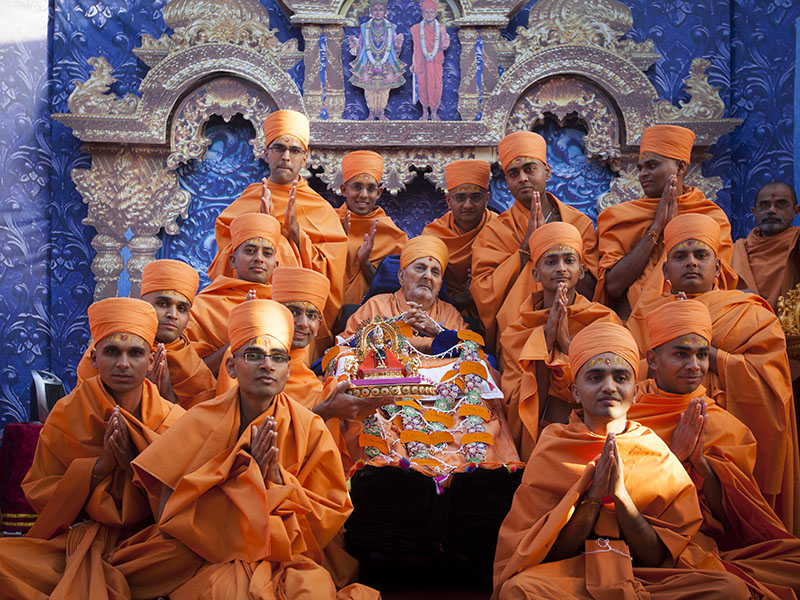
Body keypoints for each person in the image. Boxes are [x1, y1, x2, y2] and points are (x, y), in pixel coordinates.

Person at [131, 300, 377, 599]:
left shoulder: (309, 427)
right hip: (203, 549)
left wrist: (275, 481)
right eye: (253, 355)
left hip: (285, 551)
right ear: (231, 367)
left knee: (309, 589)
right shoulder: (199, 419)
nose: (267, 365)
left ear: (288, 369)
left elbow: (327, 517)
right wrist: (240, 489)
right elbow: (167, 511)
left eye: (277, 357)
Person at [493, 322, 754, 599]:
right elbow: (549, 552)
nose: (609, 387)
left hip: (644, 575)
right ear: (576, 392)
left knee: (730, 590)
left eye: (620, 377)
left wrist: (621, 497)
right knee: (518, 591)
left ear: (634, 389)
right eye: (595, 378)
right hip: (574, 573)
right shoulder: (553, 447)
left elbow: (657, 557)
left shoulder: (654, 449)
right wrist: (592, 500)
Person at [0, 298, 202, 599]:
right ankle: (96, 574)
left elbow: (181, 511)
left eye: (135, 353)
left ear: (150, 361)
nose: (123, 364)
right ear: (94, 358)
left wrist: (135, 463)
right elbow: (41, 492)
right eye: (112, 352)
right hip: (78, 538)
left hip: (142, 544)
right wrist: (98, 469)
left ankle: (96, 576)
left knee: (188, 555)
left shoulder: (175, 422)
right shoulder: (67, 413)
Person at [626, 212, 800, 535]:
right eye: (680, 255)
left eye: (701, 254)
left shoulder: (751, 312)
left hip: (731, 436)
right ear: (666, 270)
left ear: (718, 267)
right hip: (663, 434)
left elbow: (773, 386)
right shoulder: (647, 314)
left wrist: (706, 349)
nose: (691, 262)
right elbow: (629, 374)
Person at [629, 299, 800, 599]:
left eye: (700, 355)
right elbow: (625, 503)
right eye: (681, 354)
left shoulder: (722, 423)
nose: (693, 366)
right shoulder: (629, 415)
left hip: (707, 544)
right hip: (649, 545)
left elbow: (732, 520)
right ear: (653, 360)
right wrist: (675, 459)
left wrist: (702, 465)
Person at [206, 109, 347, 328]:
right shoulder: (247, 202)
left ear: (304, 158)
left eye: (294, 150)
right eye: (279, 148)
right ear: (266, 153)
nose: (286, 157)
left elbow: (333, 273)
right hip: (246, 306)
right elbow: (224, 264)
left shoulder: (321, 209)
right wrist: (258, 231)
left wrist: (296, 234)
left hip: (297, 317)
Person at [499, 222, 621, 459]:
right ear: (535, 273)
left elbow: (614, 384)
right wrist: (544, 339)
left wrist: (566, 342)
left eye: (569, 260)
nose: (561, 268)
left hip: (594, 437)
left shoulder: (603, 320)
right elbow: (515, 401)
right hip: (541, 439)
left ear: (582, 270)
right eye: (551, 261)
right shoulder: (518, 329)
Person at [470, 131, 598, 351]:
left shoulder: (579, 223)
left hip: (576, 329)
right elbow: (484, 293)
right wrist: (526, 248)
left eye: (530, 169)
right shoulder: (494, 231)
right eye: (513, 173)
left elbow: (594, 287)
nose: (522, 179)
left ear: (547, 171)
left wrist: (559, 247)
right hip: (519, 335)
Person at [595, 124, 736, 319]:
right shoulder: (620, 216)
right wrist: (656, 229)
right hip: (634, 324)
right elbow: (613, 286)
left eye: (652, 166)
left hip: (697, 320)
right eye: (640, 168)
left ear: (680, 167)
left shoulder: (710, 217)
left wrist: (674, 231)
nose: (643, 174)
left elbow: (718, 282)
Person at [76, 258, 217, 409]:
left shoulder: (192, 363)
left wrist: (166, 396)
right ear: (143, 303)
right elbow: (85, 415)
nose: (172, 314)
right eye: (162, 303)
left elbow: (202, 427)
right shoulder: (107, 346)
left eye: (182, 308)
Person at [186, 212, 280, 377]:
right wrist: (241, 336)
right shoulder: (204, 306)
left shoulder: (282, 307)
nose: (259, 258)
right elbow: (193, 374)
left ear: (276, 265)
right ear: (233, 261)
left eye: (267, 253)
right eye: (250, 251)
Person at [341, 234, 467, 351]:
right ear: (401, 276)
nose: (428, 276)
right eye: (420, 268)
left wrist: (437, 331)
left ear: (440, 284)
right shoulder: (376, 305)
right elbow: (347, 344)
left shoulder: (450, 313)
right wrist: (392, 329)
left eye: (435, 272)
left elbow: (470, 350)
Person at [422, 158, 495, 324]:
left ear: (487, 199)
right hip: (443, 314)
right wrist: (457, 298)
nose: (468, 205)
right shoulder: (434, 235)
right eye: (460, 198)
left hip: (493, 313)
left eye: (476, 197)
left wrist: (482, 290)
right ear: (449, 201)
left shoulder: (500, 229)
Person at [335, 150, 408, 307]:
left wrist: (365, 262)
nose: (363, 194)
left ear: (379, 192)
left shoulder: (392, 234)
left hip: (374, 315)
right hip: (329, 309)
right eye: (357, 187)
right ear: (343, 190)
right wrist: (336, 247)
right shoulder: (329, 223)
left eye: (370, 188)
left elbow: (393, 290)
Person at [732, 181, 800, 311]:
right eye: (764, 205)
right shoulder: (736, 250)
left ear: (795, 211)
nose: (771, 210)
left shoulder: (797, 242)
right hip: (748, 326)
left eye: (781, 205)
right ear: (754, 211)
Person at [347, 0, 406, 120]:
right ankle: (372, 112)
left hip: (386, 61)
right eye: (375, 10)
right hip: (368, 60)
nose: (378, 12)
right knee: (369, 88)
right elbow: (361, 44)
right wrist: (355, 45)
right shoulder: (365, 27)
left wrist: (398, 43)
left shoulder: (391, 27)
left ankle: (382, 112)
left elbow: (394, 46)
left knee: (385, 88)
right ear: (371, 11)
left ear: (385, 12)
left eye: (380, 10)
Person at [410, 0, 450, 121]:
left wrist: (445, 40)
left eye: (431, 12)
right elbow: (416, 48)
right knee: (422, 86)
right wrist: (413, 62)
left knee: (436, 86)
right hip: (421, 62)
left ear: (436, 13)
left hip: (435, 62)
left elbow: (444, 46)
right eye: (426, 12)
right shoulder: (416, 29)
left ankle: (434, 112)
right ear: (422, 14)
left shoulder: (441, 28)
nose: (429, 14)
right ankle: (424, 112)